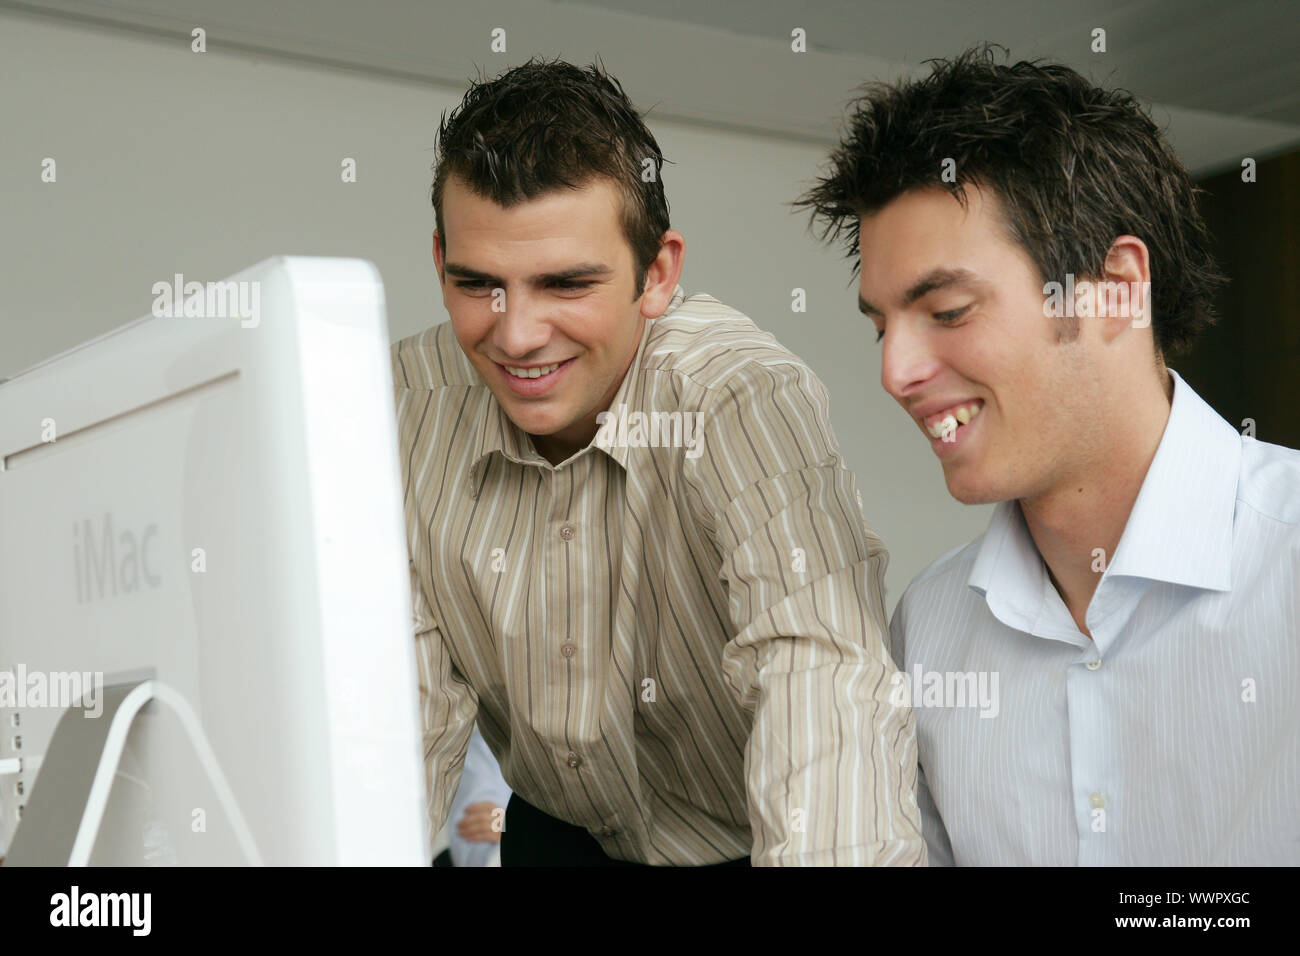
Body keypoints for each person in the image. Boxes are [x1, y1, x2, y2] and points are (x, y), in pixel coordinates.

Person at [391, 58, 924, 866]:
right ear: (439, 264)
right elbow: (396, 726)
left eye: (565, 284)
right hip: (553, 840)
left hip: (750, 845)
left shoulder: (737, 396)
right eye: (478, 284)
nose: (518, 333)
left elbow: (821, 680)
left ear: (658, 273)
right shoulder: (397, 407)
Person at [797, 45, 1300, 865]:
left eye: (948, 311)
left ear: (1114, 288)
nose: (895, 371)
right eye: (881, 325)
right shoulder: (927, 628)